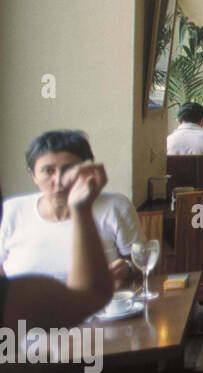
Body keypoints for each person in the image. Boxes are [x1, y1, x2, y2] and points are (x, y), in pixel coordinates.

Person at [0, 131, 146, 289]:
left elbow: (143, 264)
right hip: (26, 304)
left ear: (88, 170)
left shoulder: (115, 207)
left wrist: (127, 269)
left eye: (69, 170)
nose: (59, 181)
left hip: (100, 303)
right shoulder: (12, 210)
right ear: (33, 175)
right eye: (48, 171)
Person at [0, 162, 115, 329]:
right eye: (48, 170)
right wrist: (81, 209)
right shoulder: (15, 297)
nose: (59, 181)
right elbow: (93, 296)